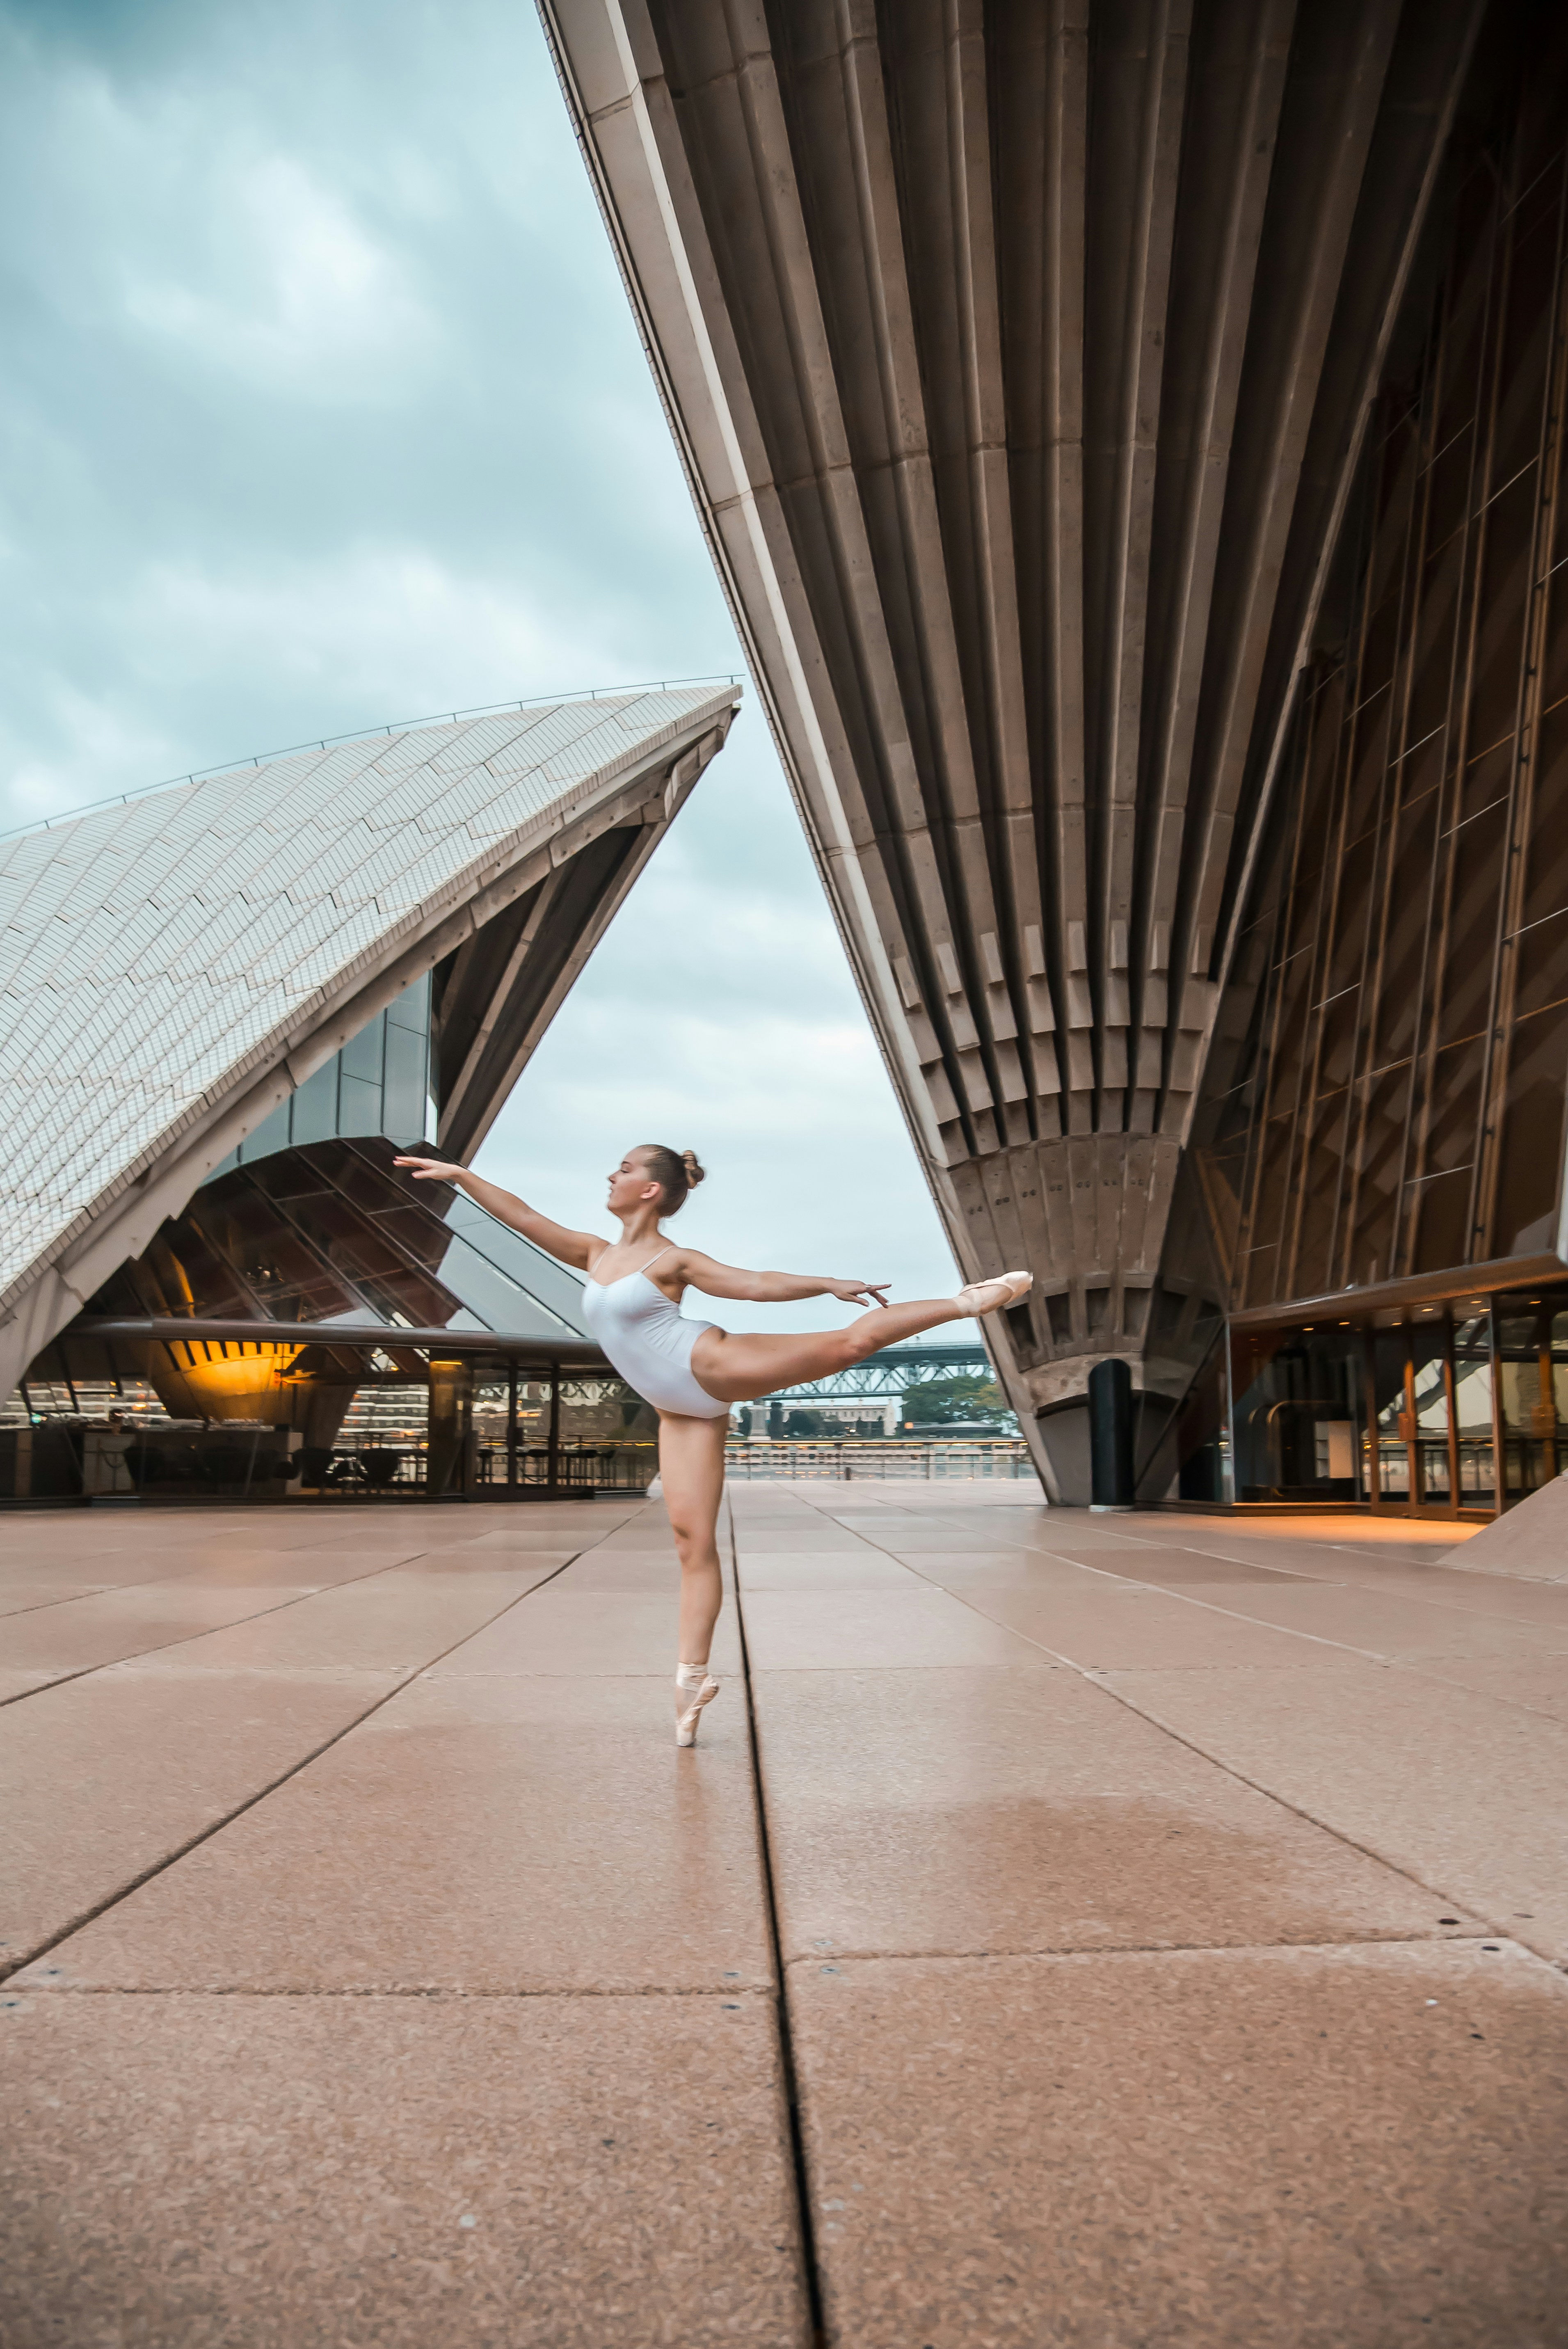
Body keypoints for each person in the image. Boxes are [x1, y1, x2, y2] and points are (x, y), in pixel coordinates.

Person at [393, 1144, 1029, 1744]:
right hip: (680, 1412)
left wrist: (825, 1282)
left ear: (648, 1189)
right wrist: (463, 1178)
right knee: (690, 1544)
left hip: (710, 1363)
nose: (608, 1178)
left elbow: (753, 1283)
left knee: (849, 1345)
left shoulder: (671, 1260)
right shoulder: (592, 1252)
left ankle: (965, 1301)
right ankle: (690, 1682)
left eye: (620, 1169)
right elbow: (526, 1217)